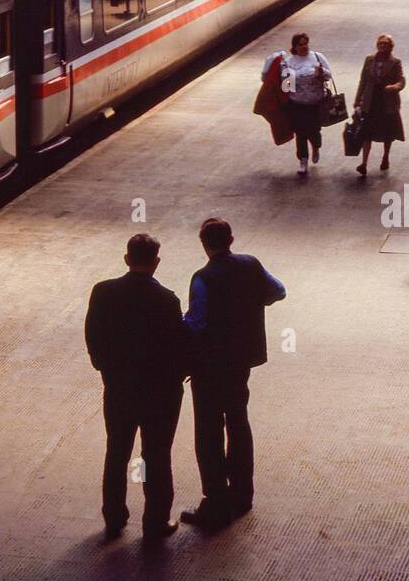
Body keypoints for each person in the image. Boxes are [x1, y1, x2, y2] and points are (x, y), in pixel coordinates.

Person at [84, 233, 190, 543]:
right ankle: (155, 521)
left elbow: (93, 334)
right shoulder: (167, 299)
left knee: (117, 451)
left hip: (119, 388)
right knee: (156, 455)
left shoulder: (103, 292)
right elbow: (177, 346)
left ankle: (114, 517)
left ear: (126, 259)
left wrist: (105, 367)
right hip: (160, 393)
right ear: (156, 262)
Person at [182, 218, 285, 532]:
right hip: (242, 360)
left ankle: (215, 503)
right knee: (238, 421)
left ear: (204, 244)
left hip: (210, 366)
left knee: (209, 429)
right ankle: (242, 495)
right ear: (231, 239)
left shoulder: (203, 278)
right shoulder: (250, 264)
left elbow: (195, 324)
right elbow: (278, 291)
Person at [261, 33, 332, 178]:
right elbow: (287, 87)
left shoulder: (317, 57)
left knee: (314, 131)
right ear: (294, 47)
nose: (304, 46)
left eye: (305, 43)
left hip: (315, 102)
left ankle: (316, 146)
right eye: (300, 44)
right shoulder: (289, 62)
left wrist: (321, 72)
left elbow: (329, 75)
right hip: (297, 103)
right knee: (300, 133)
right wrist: (286, 80)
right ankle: (303, 160)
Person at [353, 33, 405, 177]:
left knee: (388, 133)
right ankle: (364, 163)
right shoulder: (369, 60)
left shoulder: (395, 62)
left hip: (387, 101)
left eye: (386, 44)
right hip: (370, 101)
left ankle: (385, 156)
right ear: (377, 44)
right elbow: (363, 81)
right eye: (381, 43)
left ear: (391, 47)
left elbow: (401, 80)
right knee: (366, 133)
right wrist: (358, 100)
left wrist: (394, 87)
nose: (383, 46)